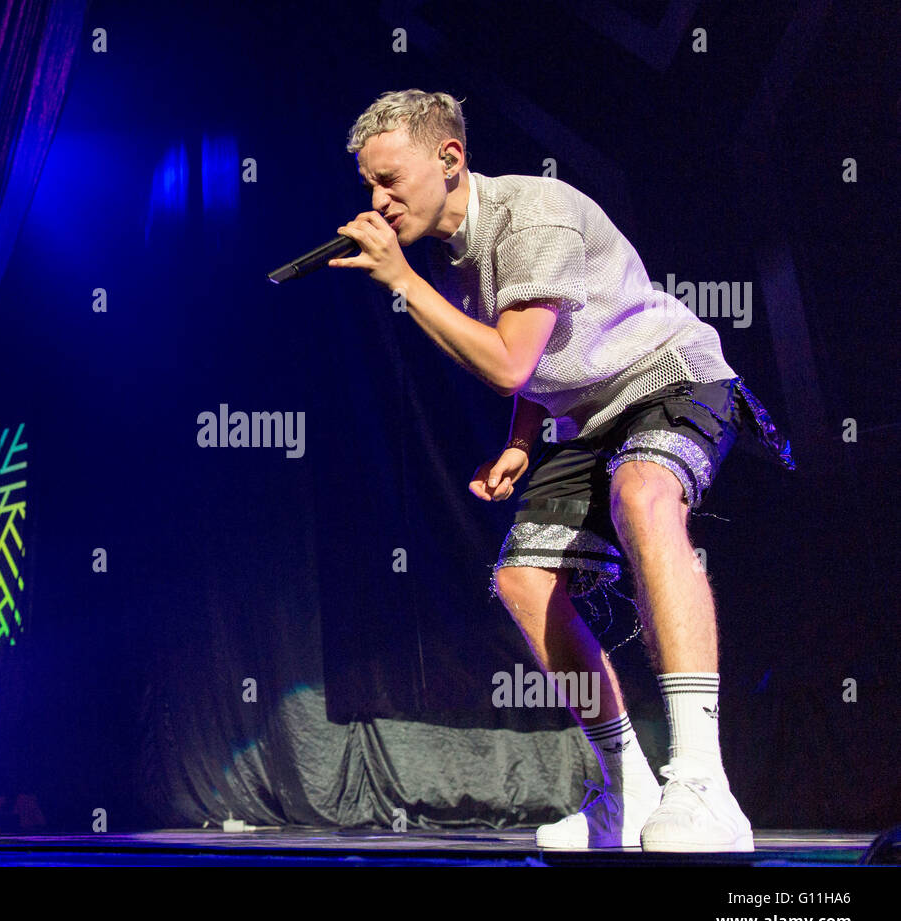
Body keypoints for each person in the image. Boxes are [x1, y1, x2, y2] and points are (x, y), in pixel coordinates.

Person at [329, 90, 793, 851]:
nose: (378, 202)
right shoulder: (449, 256)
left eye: (390, 181)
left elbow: (511, 361)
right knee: (521, 580)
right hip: (587, 416)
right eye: (368, 187)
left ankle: (704, 784)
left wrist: (401, 286)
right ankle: (626, 788)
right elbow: (540, 361)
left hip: (670, 378)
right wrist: (521, 440)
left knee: (642, 494)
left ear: (450, 160)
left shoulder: (533, 214)